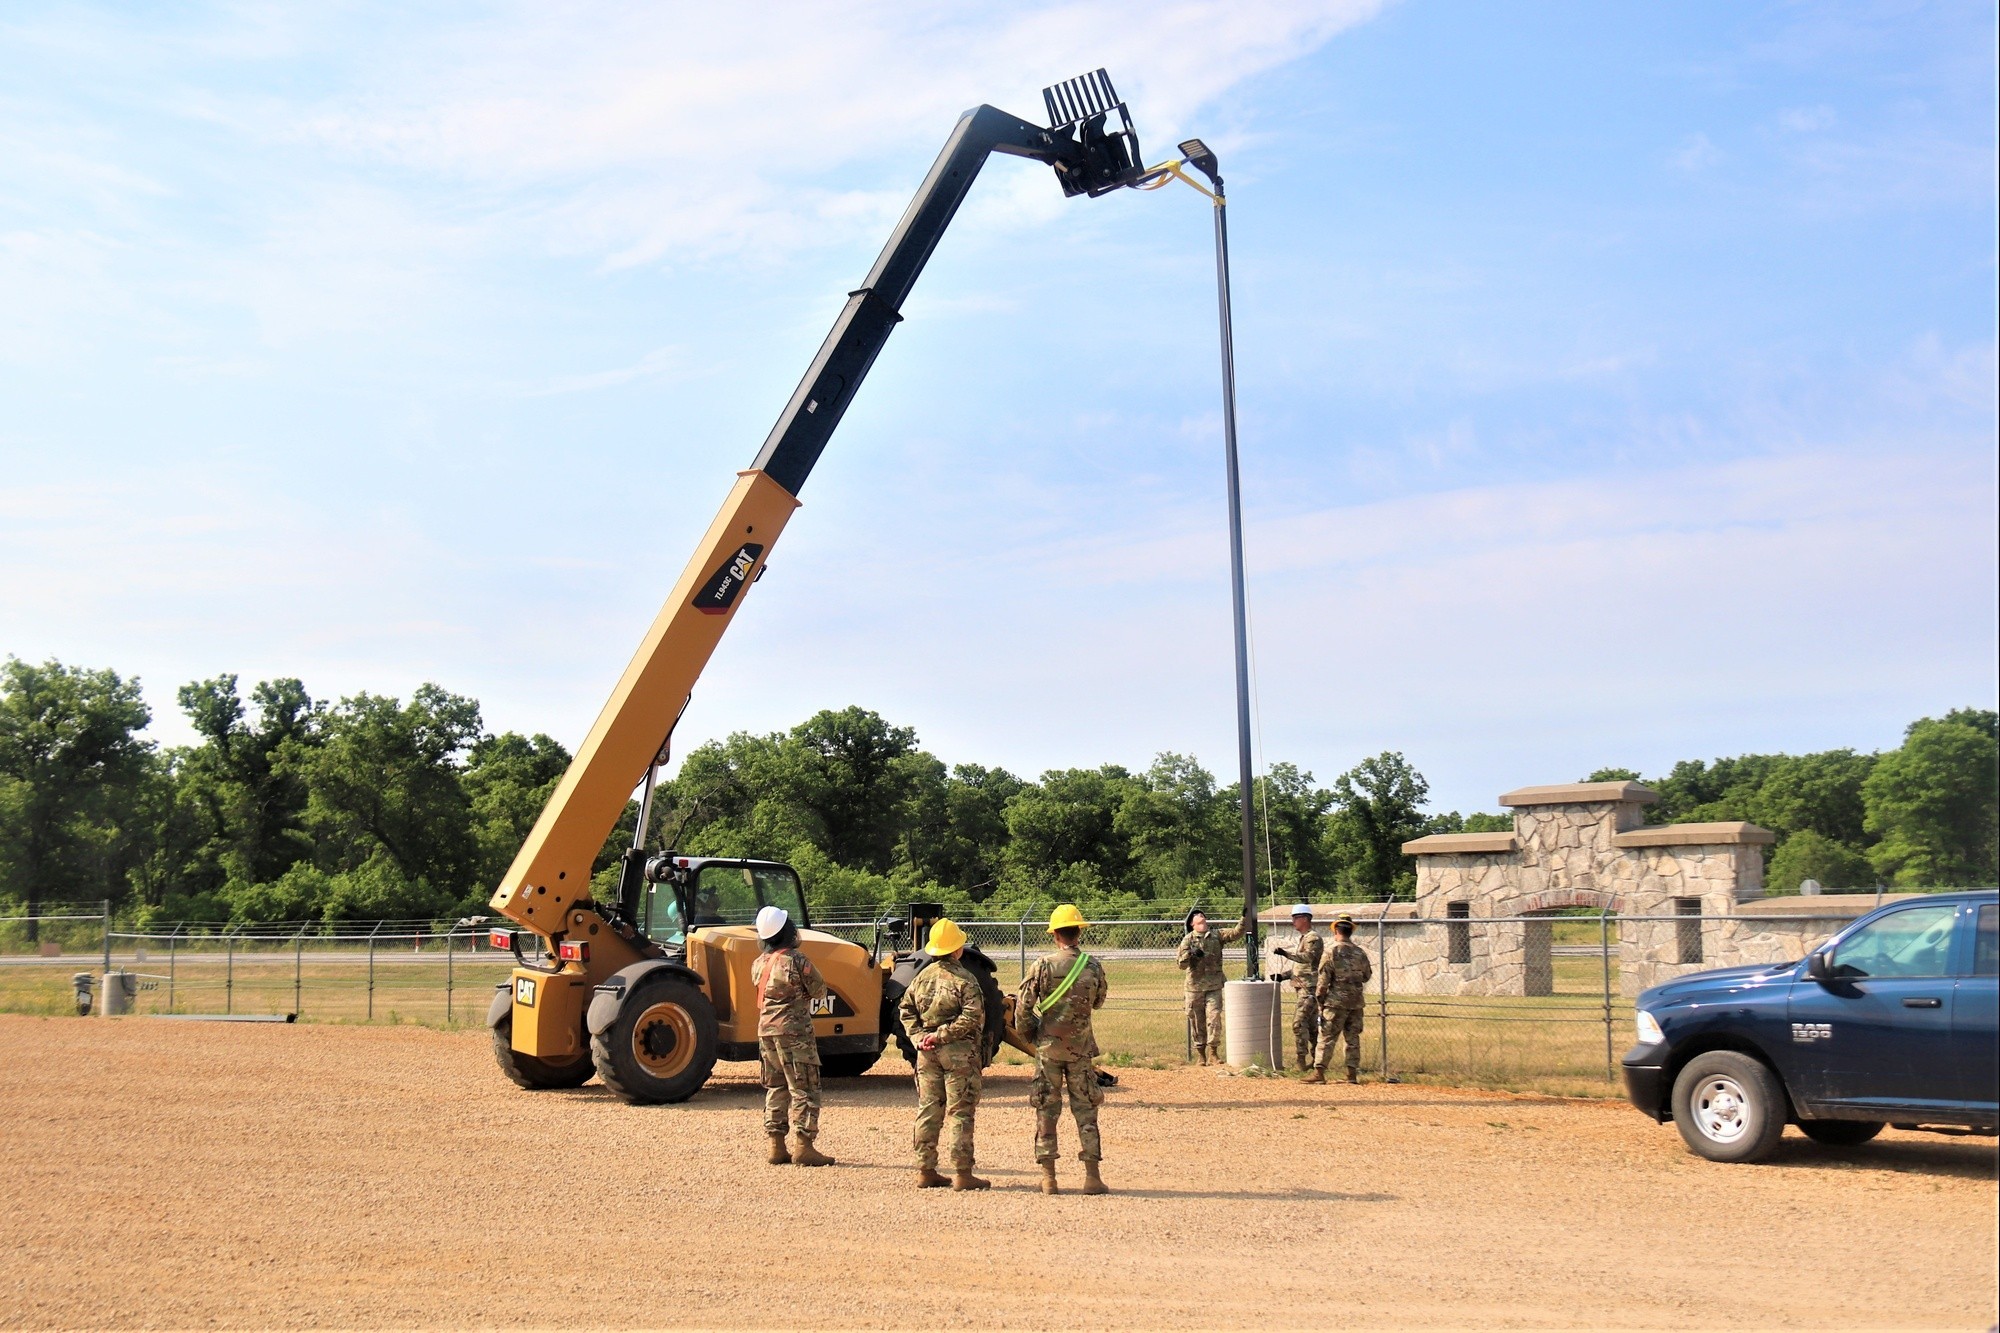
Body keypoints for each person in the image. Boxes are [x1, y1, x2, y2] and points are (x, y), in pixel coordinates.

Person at [1016, 904, 1110, 1195]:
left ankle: (1049, 1178)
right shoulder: (1092, 966)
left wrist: (1031, 1035)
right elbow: (1099, 1002)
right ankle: (1092, 1177)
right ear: (1078, 933)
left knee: (1046, 1109)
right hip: (1080, 1049)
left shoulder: (1042, 965)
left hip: (1049, 1049)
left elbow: (1022, 1008)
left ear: (1055, 934)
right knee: (1086, 1111)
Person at [897, 917, 989, 1191]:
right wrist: (943, 1035)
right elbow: (972, 1016)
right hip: (959, 1055)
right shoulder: (966, 979)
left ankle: (926, 1171)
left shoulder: (921, 978)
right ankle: (963, 1174)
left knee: (928, 1109)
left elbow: (905, 1010)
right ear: (957, 950)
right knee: (961, 1112)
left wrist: (918, 1037)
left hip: (927, 1054)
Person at [749, 904, 833, 1165]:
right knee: (804, 1087)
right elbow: (819, 990)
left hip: (766, 1031)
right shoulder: (797, 960)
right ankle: (804, 1146)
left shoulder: (758, 963)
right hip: (794, 1032)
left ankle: (776, 1146)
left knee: (776, 1086)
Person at [1176, 906, 1247, 1065]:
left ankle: (1213, 1052)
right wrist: (1190, 953)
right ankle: (1201, 1054)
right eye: (1196, 915)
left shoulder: (1217, 935)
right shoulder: (1188, 939)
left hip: (1214, 985)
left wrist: (1244, 918)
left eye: (1201, 914)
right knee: (1197, 1021)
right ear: (1192, 924)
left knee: (1214, 1018)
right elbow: (1181, 964)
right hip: (1194, 988)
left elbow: (1236, 933)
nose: (1200, 915)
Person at [1312, 913, 1374, 1084]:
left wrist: (1320, 1002)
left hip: (1335, 1003)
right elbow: (1367, 976)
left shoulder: (1331, 952)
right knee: (1352, 1039)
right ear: (1350, 931)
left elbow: (1323, 981)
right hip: (1356, 1003)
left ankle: (1319, 1073)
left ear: (1336, 930)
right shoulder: (1360, 953)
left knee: (1326, 1037)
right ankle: (1351, 1074)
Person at [1272, 905, 1324, 1072]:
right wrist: (1283, 976)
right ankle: (1317, 1061)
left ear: (1305, 919)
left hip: (1309, 990)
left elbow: (1308, 958)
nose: (1293, 921)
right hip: (1304, 988)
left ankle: (1301, 1061)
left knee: (1298, 1023)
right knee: (1312, 1027)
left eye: (1295, 918)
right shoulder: (1304, 938)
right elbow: (1301, 968)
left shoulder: (1312, 938)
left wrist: (1285, 954)